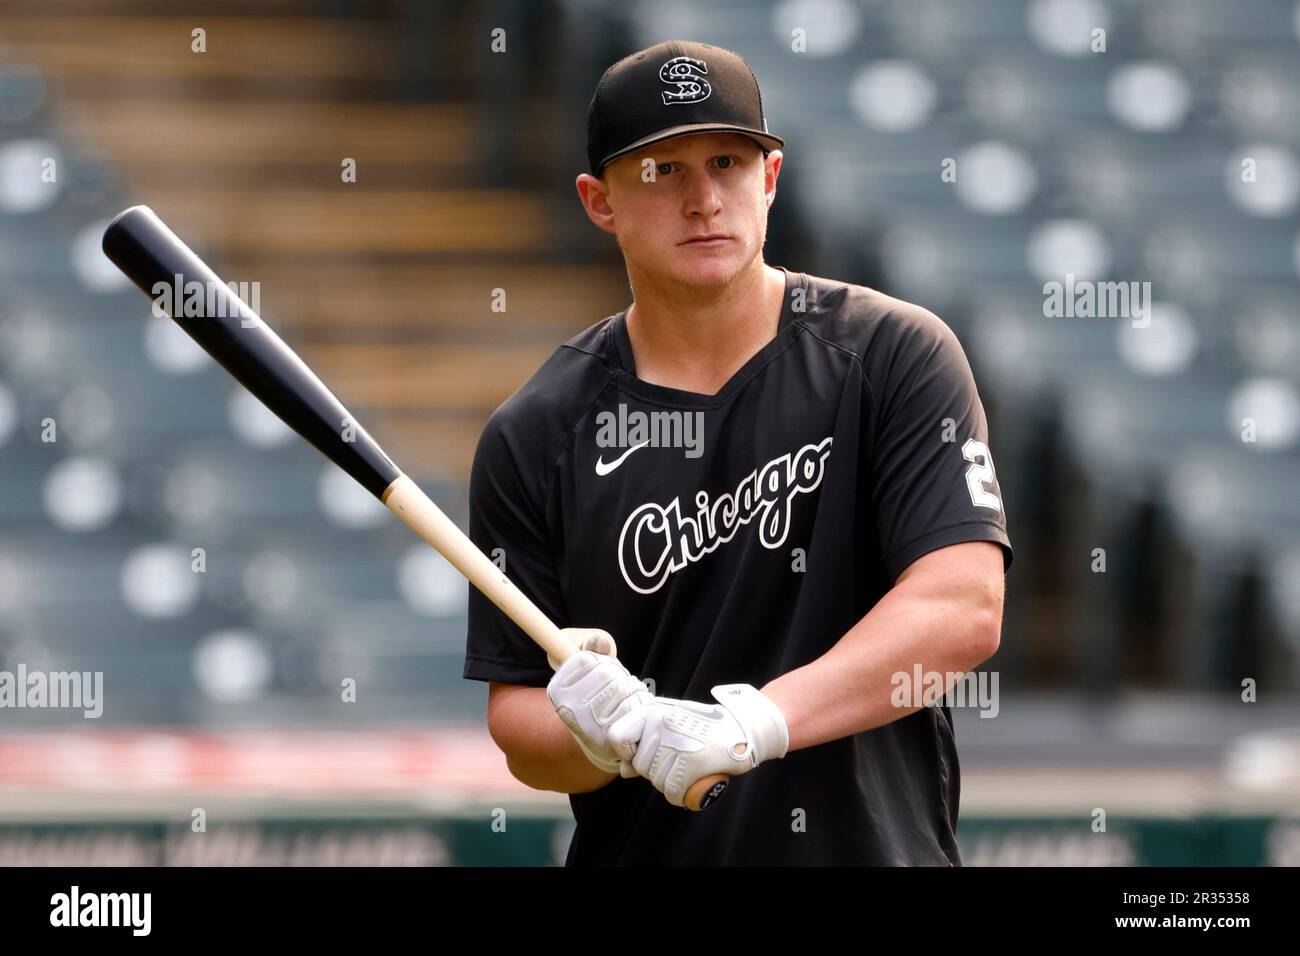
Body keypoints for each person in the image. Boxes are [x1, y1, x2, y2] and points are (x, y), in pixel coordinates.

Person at [463, 39, 1012, 865]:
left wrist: (749, 726)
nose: (703, 199)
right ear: (598, 200)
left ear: (771, 177)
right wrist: (603, 736)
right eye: (661, 171)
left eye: (727, 160)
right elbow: (519, 723)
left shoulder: (892, 356)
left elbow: (963, 609)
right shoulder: (538, 431)